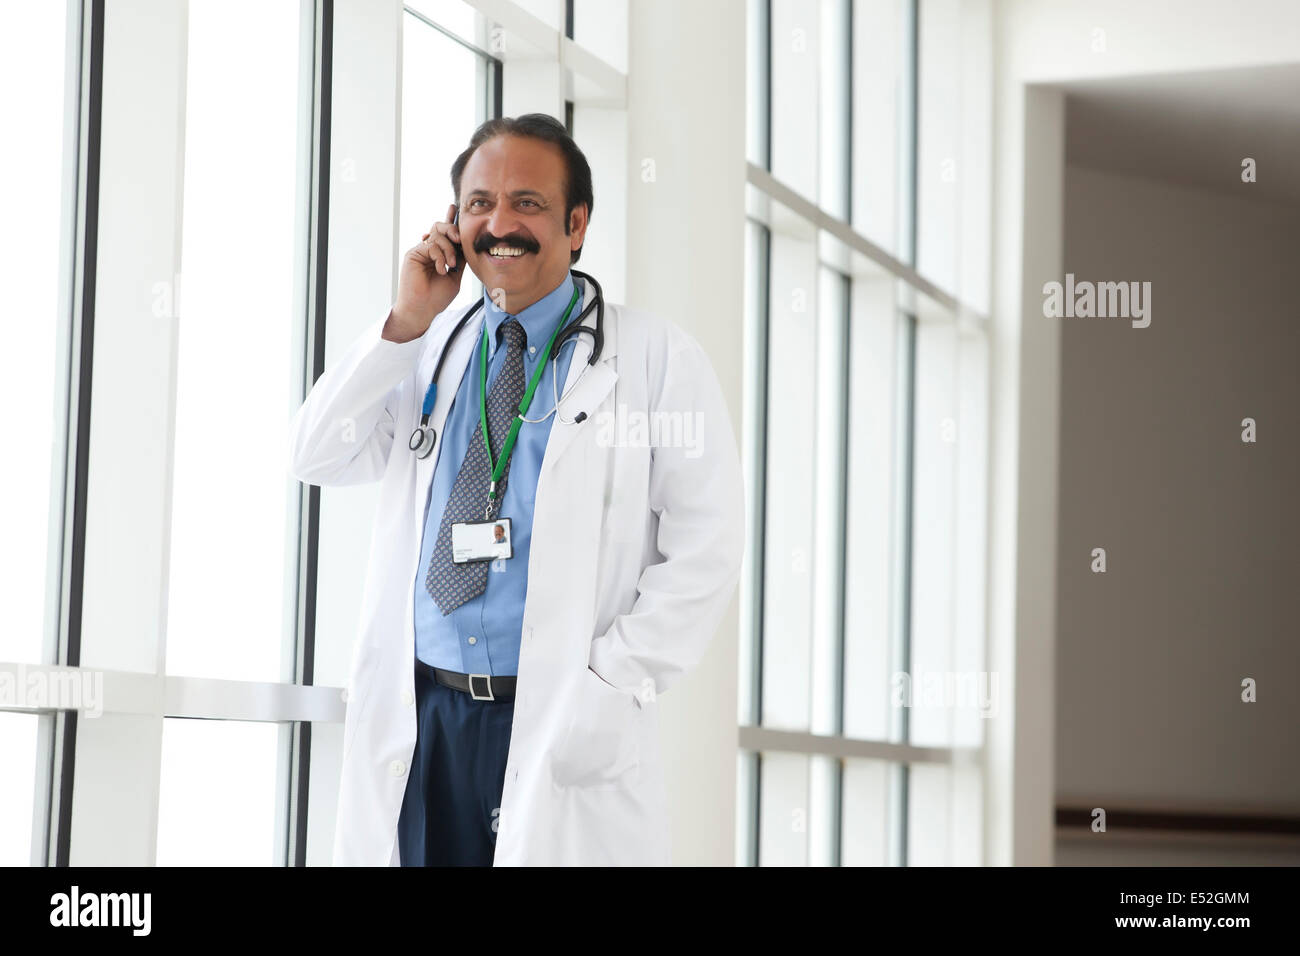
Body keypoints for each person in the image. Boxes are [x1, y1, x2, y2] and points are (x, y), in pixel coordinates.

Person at [287, 113, 743, 866]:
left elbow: (709, 545)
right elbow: (317, 454)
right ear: (455, 223)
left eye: (527, 203)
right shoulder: (429, 348)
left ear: (577, 223)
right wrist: (405, 320)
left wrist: (608, 681)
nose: (500, 223)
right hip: (424, 716)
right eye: (478, 205)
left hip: (556, 712)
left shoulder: (658, 360)